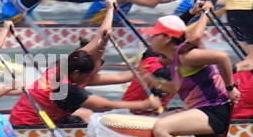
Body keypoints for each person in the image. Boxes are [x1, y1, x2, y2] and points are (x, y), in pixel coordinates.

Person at [9, 13, 160, 126]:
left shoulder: (65, 65)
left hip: (28, 115)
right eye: (90, 74)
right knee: (91, 116)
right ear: (77, 74)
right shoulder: (67, 89)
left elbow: (101, 42)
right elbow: (105, 105)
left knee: (86, 114)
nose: (92, 76)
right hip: (28, 124)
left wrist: (109, 11)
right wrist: (143, 105)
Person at [147, 10, 239, 137]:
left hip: (216, 110)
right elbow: (175, 87)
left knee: (162, 128)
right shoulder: (175, 59)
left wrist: (230, 88)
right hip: (204, 109)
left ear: (167, 38)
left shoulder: (188, 56)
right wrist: (156, 83)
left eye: (154, 35)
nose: (150, 38)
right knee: (158, 121)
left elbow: (223, 57)